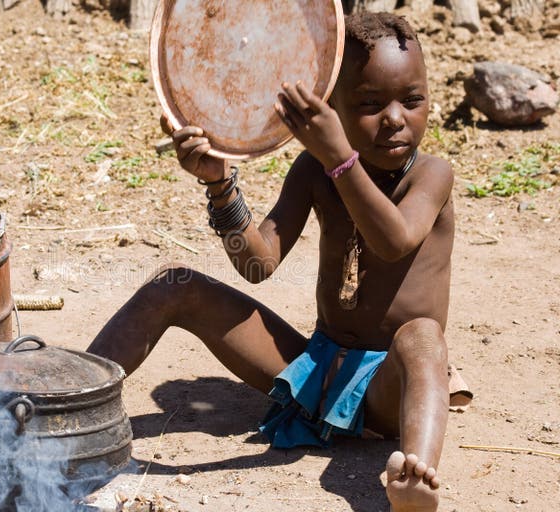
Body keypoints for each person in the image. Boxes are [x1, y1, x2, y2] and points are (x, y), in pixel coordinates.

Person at [88, 11, 470, 512]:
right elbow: (258, 264)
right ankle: (70, 402)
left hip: (387, 386)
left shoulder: (431, 176)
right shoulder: (315, 168)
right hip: (313, 369)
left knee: (422, 337)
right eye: (369, 104)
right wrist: (219, 185)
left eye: (412, 100)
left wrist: (340, 158)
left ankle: (413, 478)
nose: (395, 118)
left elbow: (392, 241)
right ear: (329, 106)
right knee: (173, 284)